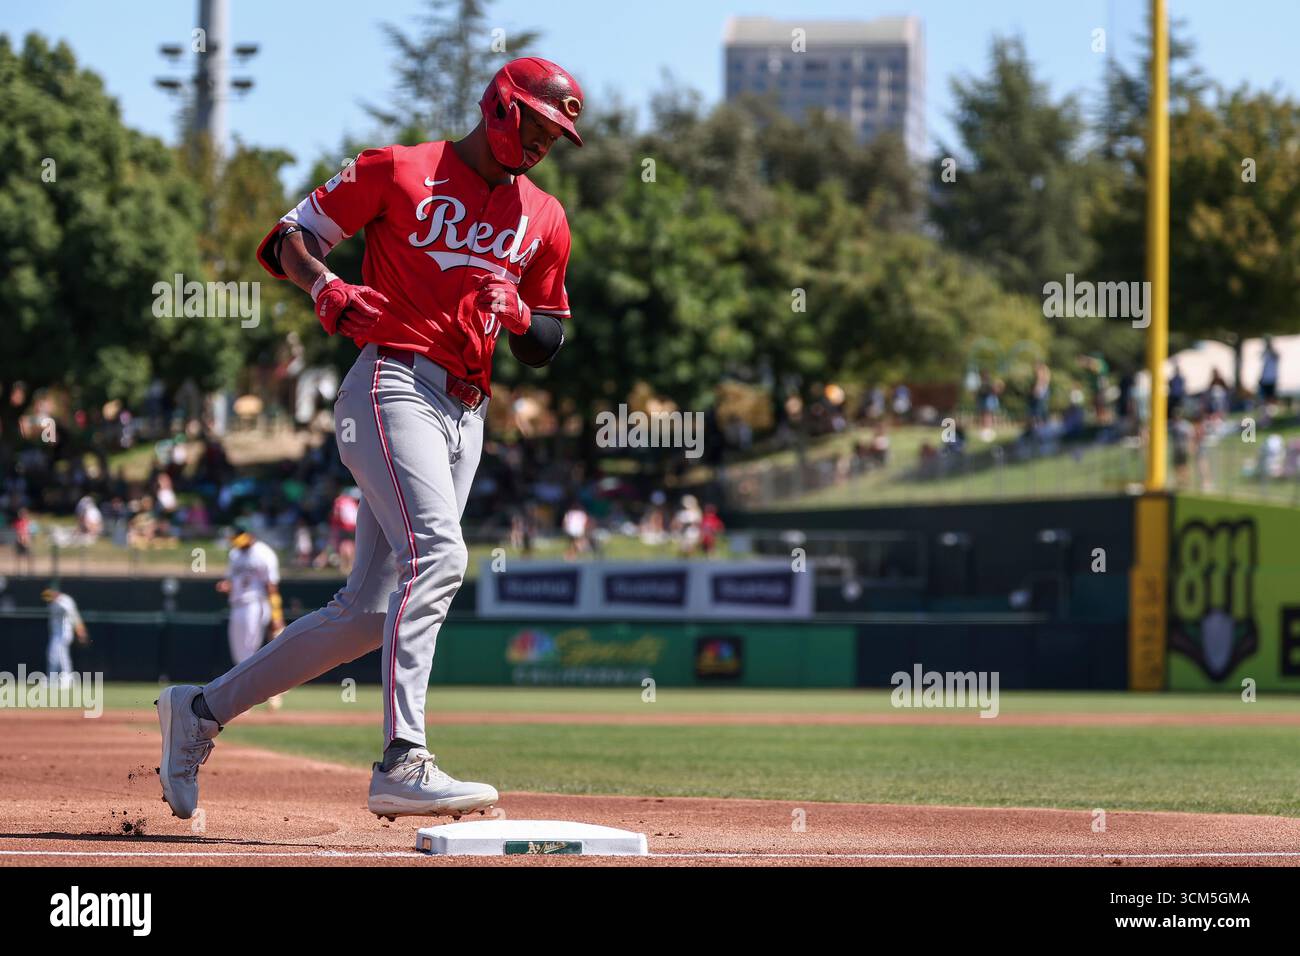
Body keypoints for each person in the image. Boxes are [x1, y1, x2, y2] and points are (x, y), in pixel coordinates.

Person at [156, 56, 583, 823]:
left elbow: (547, 341)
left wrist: (520, 316)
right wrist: (325, 284)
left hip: (467, 411)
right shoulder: (400, 169)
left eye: (560, 134)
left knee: (364, 615)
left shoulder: (545, 217)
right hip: (389, 383)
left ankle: (198, 711)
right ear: (500, 107)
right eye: (542, 124)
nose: (548, 142)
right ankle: (403, 760)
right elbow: (291, 236)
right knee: (442, 554)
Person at [217, 522, 285, 711]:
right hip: (237, 604)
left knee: (248, 652)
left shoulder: (264, 554)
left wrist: (276, 614)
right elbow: (231, 580)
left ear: (250, 535)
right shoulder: (235, 554)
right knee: (240, 654)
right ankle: (266, 690)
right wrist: (226, 586)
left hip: (255, 604)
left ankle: (248, 697)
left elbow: (271, 586)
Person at [42, 588, 88, 690]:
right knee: (52, 655)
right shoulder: (50, 602)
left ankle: (68, 678)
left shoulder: (65, 601)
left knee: (62, 655)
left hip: (65, 633)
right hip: (55, 634)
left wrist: (80, 630)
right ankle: (52, 679)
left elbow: (73, 615)